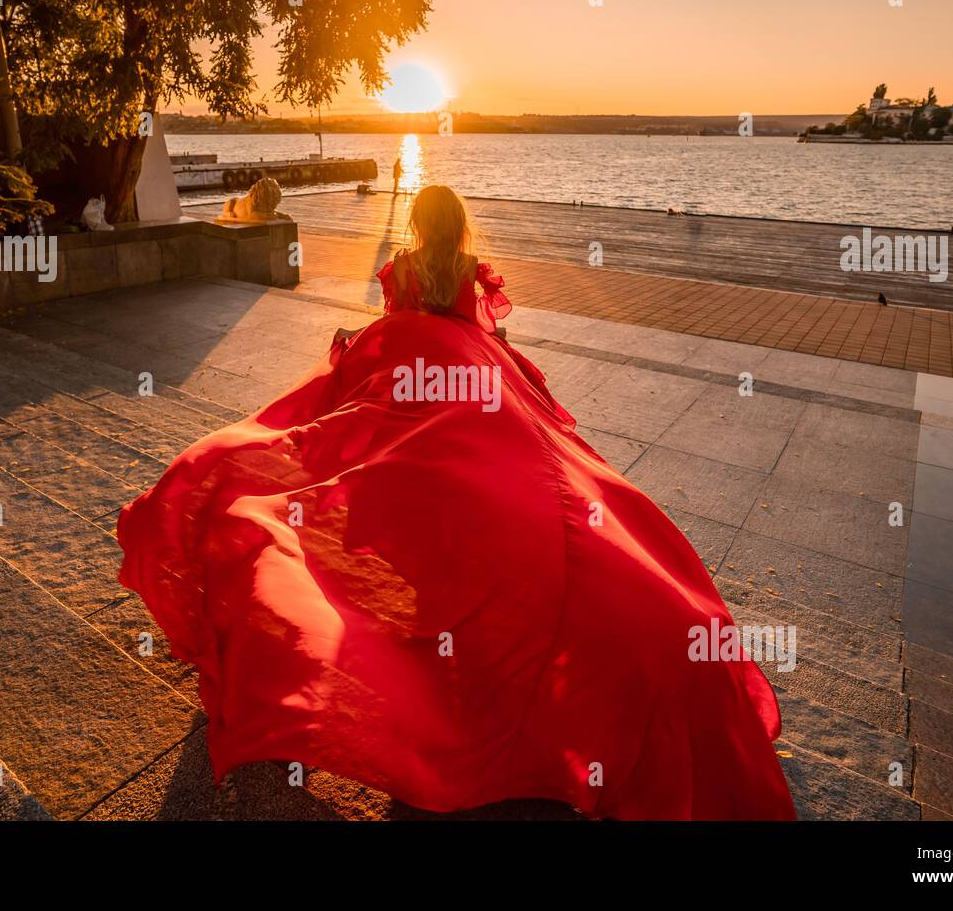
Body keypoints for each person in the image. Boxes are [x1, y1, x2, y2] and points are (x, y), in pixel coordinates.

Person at [116, 185, 795, 820]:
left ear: (417, 224)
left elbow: (399, 323)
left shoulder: (404, 268)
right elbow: (488, 334)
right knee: (529, 494)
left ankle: (425, 648)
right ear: (458, 225)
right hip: (470, 383)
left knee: (378, 487)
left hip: (413, 383)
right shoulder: (469, 266)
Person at [219, 176, 290, 223]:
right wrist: (272, 216)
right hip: (234, 207)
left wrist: (281, 215)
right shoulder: (250, 200)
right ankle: (227, 213)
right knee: (232, 201)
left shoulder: (263, 201)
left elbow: (269, 212)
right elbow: (253, 215)